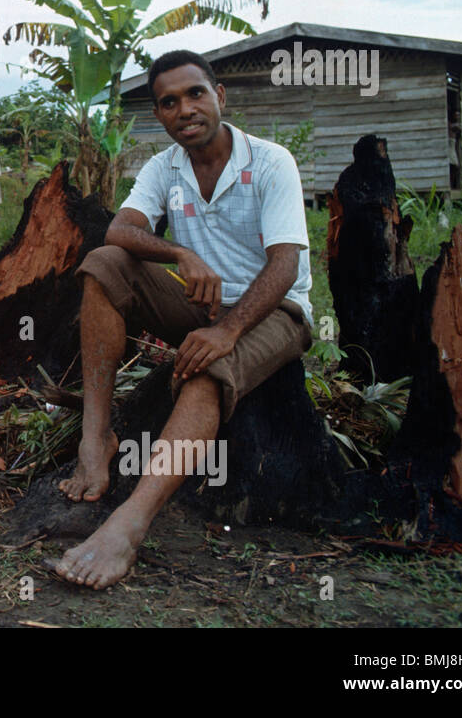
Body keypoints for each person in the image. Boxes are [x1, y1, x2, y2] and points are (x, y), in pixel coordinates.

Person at [54, 49, 313, 590]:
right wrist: (179, 254)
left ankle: (129, 523)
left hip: (275, 311)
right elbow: (118, 232)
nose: (184, 109)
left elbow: (285, 264)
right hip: (199, 300)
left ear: (219, 96)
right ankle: (96, 438)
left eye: (195, 93)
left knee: (205, 368)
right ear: (159, 115)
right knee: (104, 267)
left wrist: (227, 331)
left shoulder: (270, 161)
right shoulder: (165, 165)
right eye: (168, 102)